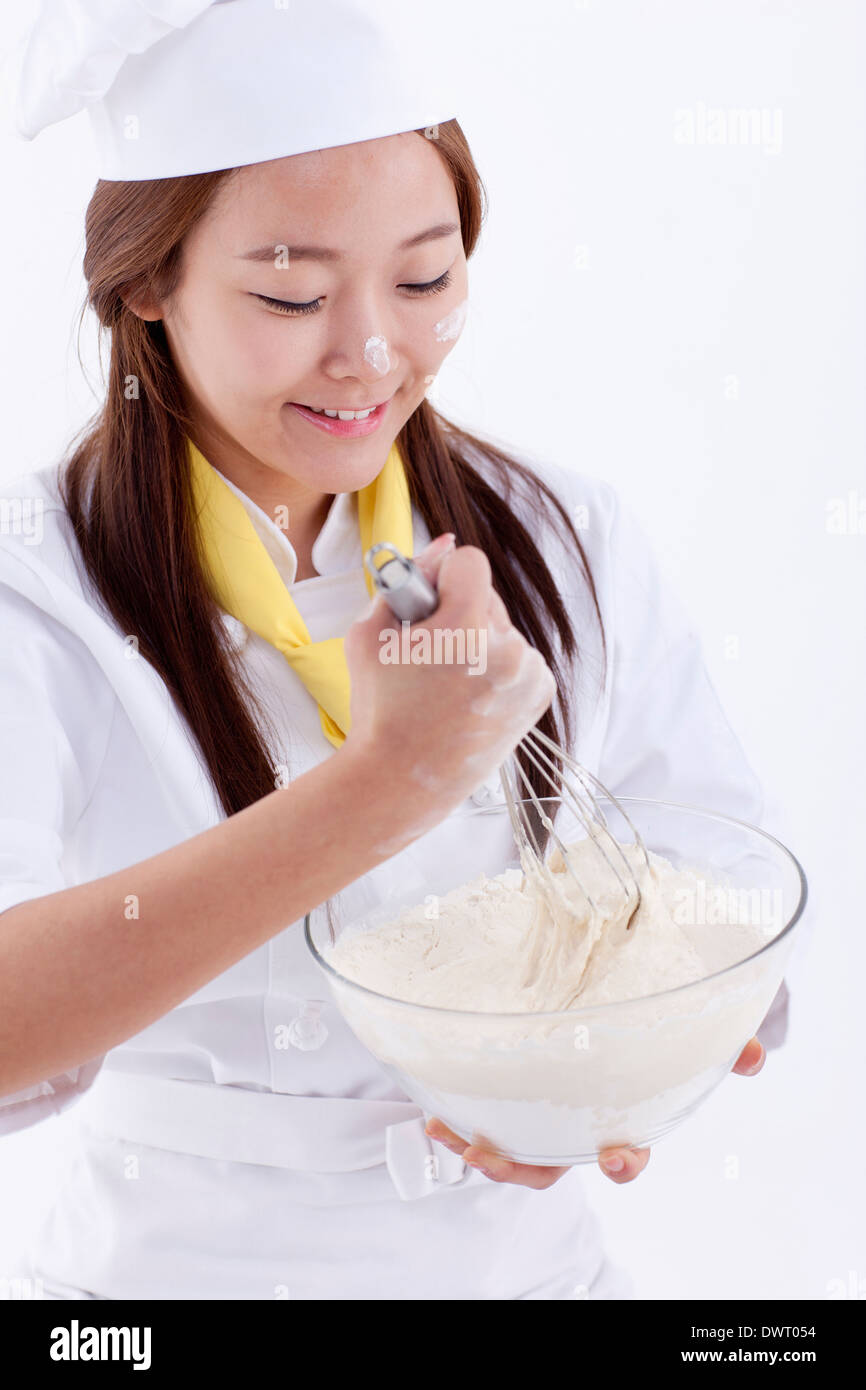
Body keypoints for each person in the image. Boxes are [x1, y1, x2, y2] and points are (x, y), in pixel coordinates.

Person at [0, 0, 783, 1300]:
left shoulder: (561, 530)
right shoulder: (36, 590)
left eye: (425, 279)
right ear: (146, 279)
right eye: (290, 291)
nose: (370, 351)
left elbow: (717, 860)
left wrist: (628, 1054)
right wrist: (387, 783)